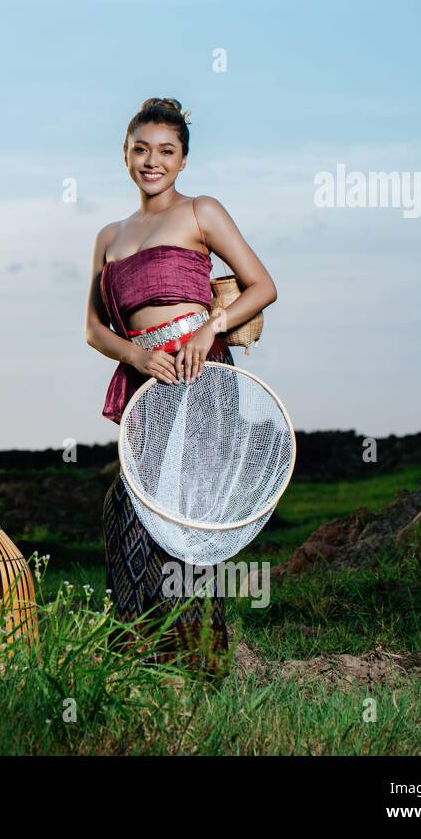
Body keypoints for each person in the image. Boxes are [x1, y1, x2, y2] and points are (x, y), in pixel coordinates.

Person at [84, 97, 277, 673]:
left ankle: (199, 658)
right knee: (131, 512)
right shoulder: (109, 236)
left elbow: (261, 285)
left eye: (166, 151)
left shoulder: (202, 212)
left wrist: (207, 330)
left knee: (185, 514)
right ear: (124, 155)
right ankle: (140, 657)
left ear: (183, 160)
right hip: (147, 384)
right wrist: (136, 359)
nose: (152, 160)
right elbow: (93, 328)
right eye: (140, 149)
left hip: (201, 377)